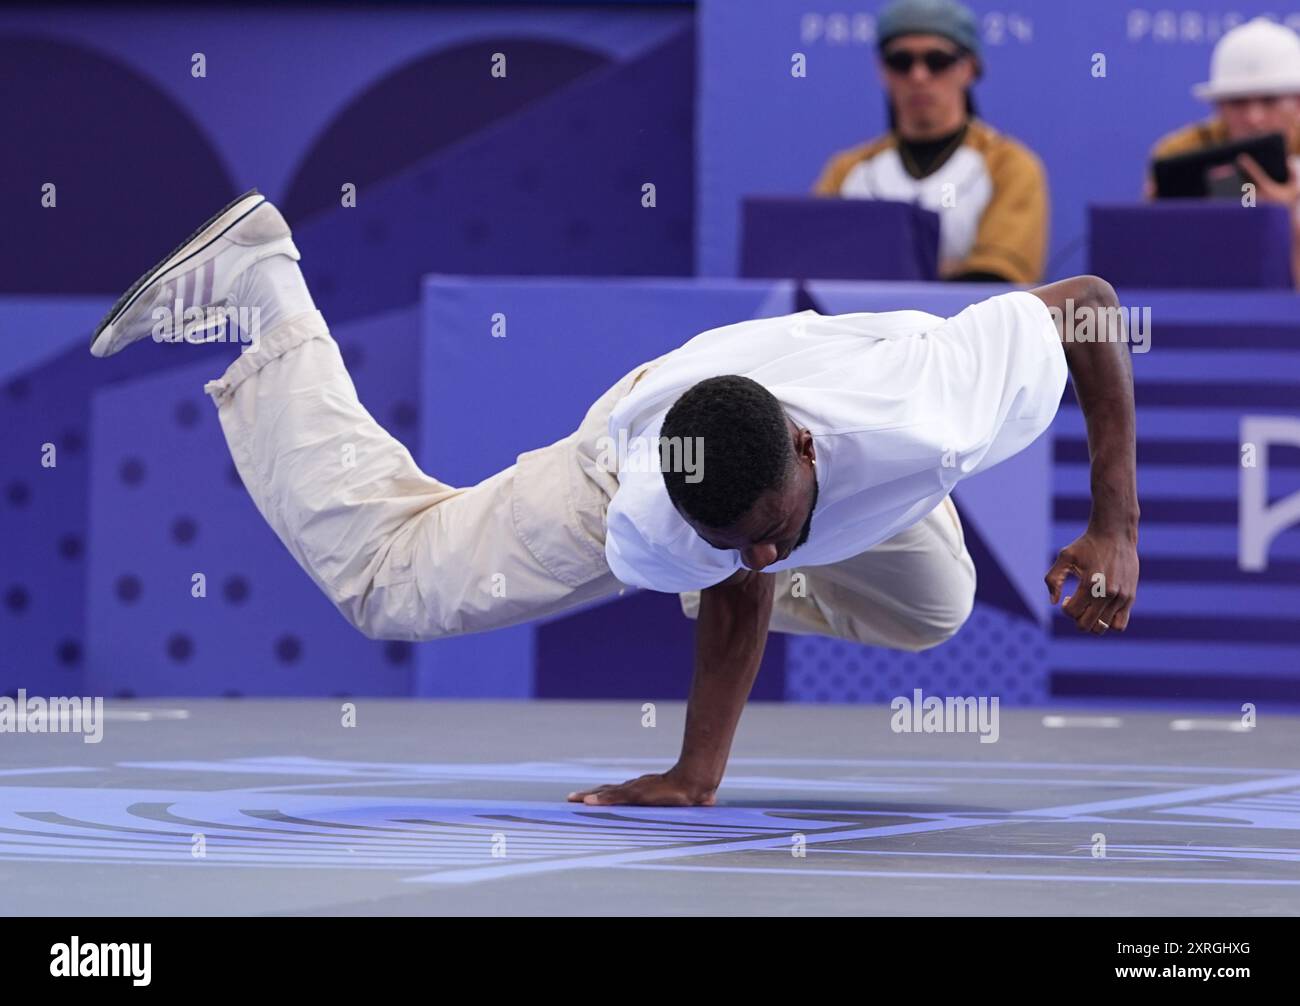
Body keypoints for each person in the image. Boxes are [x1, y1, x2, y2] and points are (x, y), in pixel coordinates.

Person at [92, 189, 1139, 807]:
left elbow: (1088, 308)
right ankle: (262, 282)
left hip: (843, 448)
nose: (765, 560)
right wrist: (696, 772)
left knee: (938, 609)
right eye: (741, 547)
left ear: (809, 446)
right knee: (388, 585)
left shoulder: (941, 404)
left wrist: (1112, 523)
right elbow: (743, 593)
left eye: (774, 535)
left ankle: (772, 537)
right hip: (625, 444)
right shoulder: (649, 511)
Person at [812, 0, 1048, 284]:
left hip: (966, 328)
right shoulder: (845, 171)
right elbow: (815, 272)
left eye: (937, 61)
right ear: (883, 71)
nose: (918, 76)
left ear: (969, 68)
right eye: (901, 61)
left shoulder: (1009, 166)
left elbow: (997, 281)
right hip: (859, 327)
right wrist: (944, 269)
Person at [1147, 17, 1300, 286]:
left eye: (1270, 100)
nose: (1254, 117)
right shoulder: (1180, 154)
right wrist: (1157, 219)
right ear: (1218, 107)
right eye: (1238, 102)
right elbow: (1158, 267)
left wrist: (1286, 218)